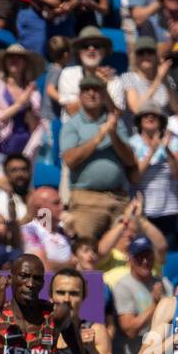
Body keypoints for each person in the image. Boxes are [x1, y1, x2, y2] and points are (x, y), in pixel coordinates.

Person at [60, 72, 136, 240]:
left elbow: (130, 160)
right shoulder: (72, 125)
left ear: (103, 95)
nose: (92, 93)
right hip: (86, 201)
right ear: (80, 95)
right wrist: (98, 138)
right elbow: (70, 160)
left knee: (128, 249)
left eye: (97, 89)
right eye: (87, 90)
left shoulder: (116, 122)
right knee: (84, 248)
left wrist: (113, 134)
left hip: (118, 198)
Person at [0, 43, 46, 175]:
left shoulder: (32, 90)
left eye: (19, 57)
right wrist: (19, 104)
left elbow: (35, 127)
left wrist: (28, 105)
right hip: (0, 148)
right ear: (4, 62)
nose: (14, 60)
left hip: (25, 150)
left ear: (25, 63)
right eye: (10, 57)